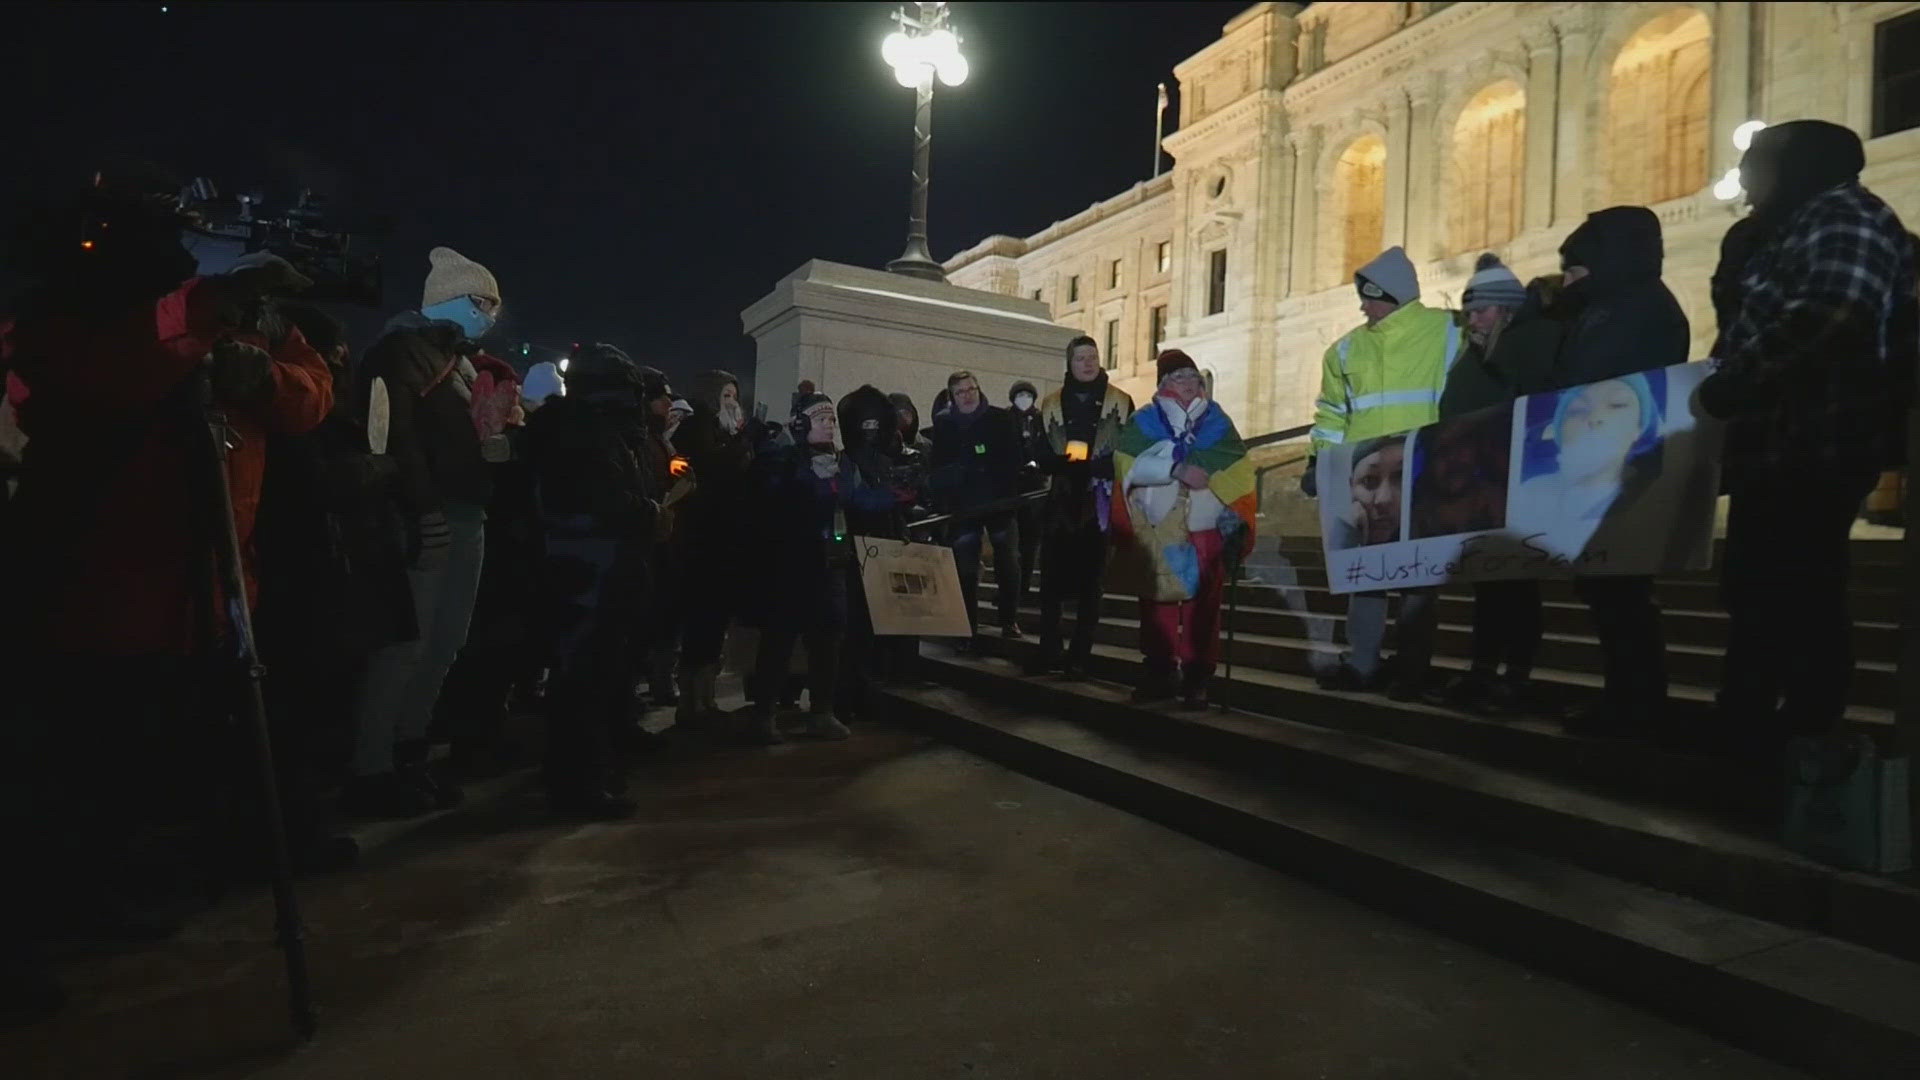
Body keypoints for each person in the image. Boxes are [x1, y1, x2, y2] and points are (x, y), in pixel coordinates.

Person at [3, 171, 332, 939]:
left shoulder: (230, 308)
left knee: (171, 739)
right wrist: (205, 315)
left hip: (214, 570)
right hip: (106, 573)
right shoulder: (70, 307)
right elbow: (101, 376)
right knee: (91, 747)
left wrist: (266, 377)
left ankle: (147, 870)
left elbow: (313, 392)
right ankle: (72, 901)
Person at [1699, 120, 1917, 758]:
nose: (1744, 177)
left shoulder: (1843, 214)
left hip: (1817, 438)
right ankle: (1746, 716)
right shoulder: (1789, 226)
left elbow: (1835, 311)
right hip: (1777, 442)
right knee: (1755, 584)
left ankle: (1805, 726)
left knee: (1801, 584)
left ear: (1795, 166)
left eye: (1755, 163)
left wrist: (1738, 379)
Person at [346, 246, 508, 816]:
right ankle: (372, 767)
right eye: (480, 302)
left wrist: (494, 448)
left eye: (494, 304)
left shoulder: (461, 363)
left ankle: (409, 752)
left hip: (466, 513)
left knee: (444, 643)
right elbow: (395, 436)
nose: (490, 314)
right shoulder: (402, 351)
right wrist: (421, 510)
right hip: (424, 518)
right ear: (448, 299)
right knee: (405, 646)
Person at [254, 301, 416, 871]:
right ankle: (291, 833)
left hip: (326, 571)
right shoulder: (296, 414)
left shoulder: (325, 405)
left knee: (316, 706)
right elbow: (314, 484)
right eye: (330, 351)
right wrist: (381, 467)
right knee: (298, 710)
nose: (341, 360)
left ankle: (304, 822)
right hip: (305, 575)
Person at [1548, 206, 1690, 738]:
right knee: (1606, 591)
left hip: (1623, 467)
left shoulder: (1638, 308)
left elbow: (1598, 380)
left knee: (1622, 591)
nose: (1567, 282)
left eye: (1575, 269)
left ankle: (1638, 703)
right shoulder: (1606, 308)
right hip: (1596, 467)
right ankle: (1626, 697)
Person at [1306, 245, 1461, 699]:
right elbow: (1331, 415)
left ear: (1395, 295)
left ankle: (1411, 668)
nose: (1364, 307)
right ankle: (1364, 664)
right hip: (1366, 477)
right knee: (1366, 574)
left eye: (1372, 298)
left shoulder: (1448, 330)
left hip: (1426, 471)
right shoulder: (1344, 349)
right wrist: (1321, 462)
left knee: (1419, 577)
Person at [520, 344, 655, 818]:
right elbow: (597, 501)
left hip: (593, 567)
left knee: (593, 677)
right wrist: (646, 512)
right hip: (587, 570)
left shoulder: (586, 428)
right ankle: (577, 785)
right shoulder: (581, 432)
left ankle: (585, 773)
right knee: (584, 680)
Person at [1434, 257, 1564, 715]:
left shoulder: (1534, 341)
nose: (1473, 320)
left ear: (1507, 308)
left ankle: (1516, 676)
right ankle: (1483, 669)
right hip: (1479, 483)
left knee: (1518, 585)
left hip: (1521, 480)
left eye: (1481, 311)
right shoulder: (1473, 353)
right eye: (1469, 312)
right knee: (1489, 586)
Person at [741, 392, 904, 743]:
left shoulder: (842, 463)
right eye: (821, 419)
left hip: (831, 563)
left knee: (828, 639)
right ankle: (763, 714)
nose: (830, 425)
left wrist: (897, 493)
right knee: (780, 640)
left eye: (832, 419)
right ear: (802, 424)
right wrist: (806, 478)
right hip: (791, 562)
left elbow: (860, 498)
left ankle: (822, 712)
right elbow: (769, 498)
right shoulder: (783, 459)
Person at [1111, 349, 1256, 707]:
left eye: (1193, 376)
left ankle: (1197, 676)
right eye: (1180, 377)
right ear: (1164, 383)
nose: (1189, 383)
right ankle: (1160, 671)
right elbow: (1126, 465)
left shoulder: (1218, 420)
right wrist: (1173, 468)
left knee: (1205, 604)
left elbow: (1239, 469)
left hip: (1206, 527)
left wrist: (1236, 517)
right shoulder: (1144, 420)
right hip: (1159, 527)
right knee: (1157, 602)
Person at [1026, 335, 1135, 678]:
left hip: (1098, 500)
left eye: (1092, 356)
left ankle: (1079, 655)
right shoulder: (1051, 404)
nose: (1088, 363)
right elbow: (1039, 453)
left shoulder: (1121, 401)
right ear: (1069, 364)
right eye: (1080, 358)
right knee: (1051, 582)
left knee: (1092, 583)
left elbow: (1131, 450)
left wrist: (1099, 466)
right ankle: (1049, 648)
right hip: (1061, 501)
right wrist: (1059, 463)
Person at [670, 369, 755, 732]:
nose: (732, 403)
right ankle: (691, 702)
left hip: (724, 540)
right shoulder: (698, 428)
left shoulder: (725, 433)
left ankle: (705, 699)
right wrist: (740, 444)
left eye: (735, 396)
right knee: (702, 623)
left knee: (714, 624)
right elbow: (710, 468)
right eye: (725, 396)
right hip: (702, 542)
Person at [928, 370, 1025, 641]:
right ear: (952, 396)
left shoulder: (999, 418)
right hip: (964, 505)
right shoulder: (945, 424)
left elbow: (1014, 458)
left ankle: (1009, 619)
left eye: (972, 389)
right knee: (965, 568)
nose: (968, 395)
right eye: (961, 392)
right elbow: (938, 465)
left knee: (1008, 560)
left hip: (999, 500)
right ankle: (966, 628)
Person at [1007, 379, 1046, 613]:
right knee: (1011, 543)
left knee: (1030, 543)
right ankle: (1009, 590)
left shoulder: (1040, 419)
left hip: (1035, 487)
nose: (1024, 399)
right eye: (1020, 395)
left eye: (1028, 395)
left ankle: (1023, 588)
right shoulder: (1005, 419)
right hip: (1012, 487)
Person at [891, 391, 933, 456]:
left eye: (906, 414)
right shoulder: (882, 449)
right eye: (898, 416)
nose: (904, 420)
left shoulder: (927, 446)